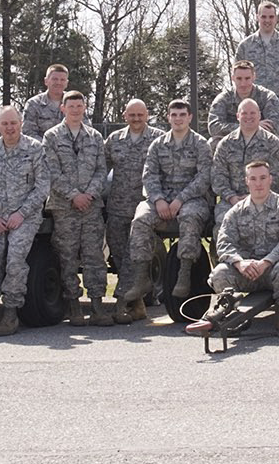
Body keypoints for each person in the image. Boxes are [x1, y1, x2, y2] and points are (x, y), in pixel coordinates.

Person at [118, 100, 213, 320]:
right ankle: (142, 277)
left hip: (191, 198)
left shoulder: (200, 144)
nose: (178, 118)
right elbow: (149, 175)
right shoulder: (158, 145)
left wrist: (180, 199)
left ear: (190, 117)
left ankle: (185, 273)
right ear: (168, 117)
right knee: (140, 219)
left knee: (190, 217)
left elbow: (204, 177)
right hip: (161, 199)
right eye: (174, 115)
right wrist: (159, 200)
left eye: (182, 114)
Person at [189, 160, 279, 338]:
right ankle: (231, 312)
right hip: (245, 272)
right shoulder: (235, 212)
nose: (258, 183)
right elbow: (224, 243)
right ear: (246, 181)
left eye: (263, 178)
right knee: (220, 273)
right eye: (253, 179)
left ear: (270, 179)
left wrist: (265, 262)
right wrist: (239, 263)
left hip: (272, 270)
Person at [0, 105, 51, 338]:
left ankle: (10, 312)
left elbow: (42, 186)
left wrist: (22, 213)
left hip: (24, 217)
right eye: (4, 123)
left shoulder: (35, 149)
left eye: (13, 123)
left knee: (15, 259)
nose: (9, 128)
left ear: (21, 124)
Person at [42, 91, 111, 326]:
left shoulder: (94, 137)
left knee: (94, 256)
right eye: (71, 106)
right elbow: (51, 172)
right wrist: (74, 196)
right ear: (63, 109)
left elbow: (102, 170)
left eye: (79, 106)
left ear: (84, 108)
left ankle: (97, 303)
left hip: (91, 207)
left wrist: (89, 194)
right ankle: (73, 304)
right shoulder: (51, 137)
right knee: (67, 256)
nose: (75, 110)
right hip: (64, 207)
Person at [103, 99, 161, 310]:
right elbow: (101, 169)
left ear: (147, 115)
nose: (136, 119)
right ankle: (139, 298)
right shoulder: (114, 140)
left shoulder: (158, 139)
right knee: (117, 251)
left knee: (132, 252)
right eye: (132, 115)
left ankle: (124, 298)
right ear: (124, 115)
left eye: (140, 115)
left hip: (144, 206)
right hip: (117, 205)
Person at [212, 98, 279, 221]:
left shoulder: (272, 143)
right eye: (244, 113)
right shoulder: (225, 144)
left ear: (259, 115)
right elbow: (218, 176)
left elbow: (278, 176)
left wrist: (255, 197)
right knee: (223, 221)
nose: (248, 117)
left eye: (252, 113)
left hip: (264, 199)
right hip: (232, 201)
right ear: (238, 116)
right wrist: (231, 197)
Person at [236, 2, 279, 140]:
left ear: (276, 18)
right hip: (254, 105)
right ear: (257, 17)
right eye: (264, 16)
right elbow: (238, 74)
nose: (267, 20)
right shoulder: (246, 46)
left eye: (271, 17)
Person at [207, 61, 279, 139]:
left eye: (247, 78)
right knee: (213, 142)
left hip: (260, 139)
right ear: (232, 78)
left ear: (254, 77)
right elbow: (213, 127)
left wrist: (254, 129)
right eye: (239, 79)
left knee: (274, 140)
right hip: (231, 141)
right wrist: (247, 127)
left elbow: (275, 124)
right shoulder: (223, 99)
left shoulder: (267, 97)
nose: (243, 84)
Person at [21, 64, 69, 139]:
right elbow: (28, 133)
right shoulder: (33, 104)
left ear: (66, 83)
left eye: (62, 80)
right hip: (41, 149)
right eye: (55, 79)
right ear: (46, 81)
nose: (59, 83)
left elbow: (85, 130)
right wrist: (47, 146)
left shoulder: (75, 102)